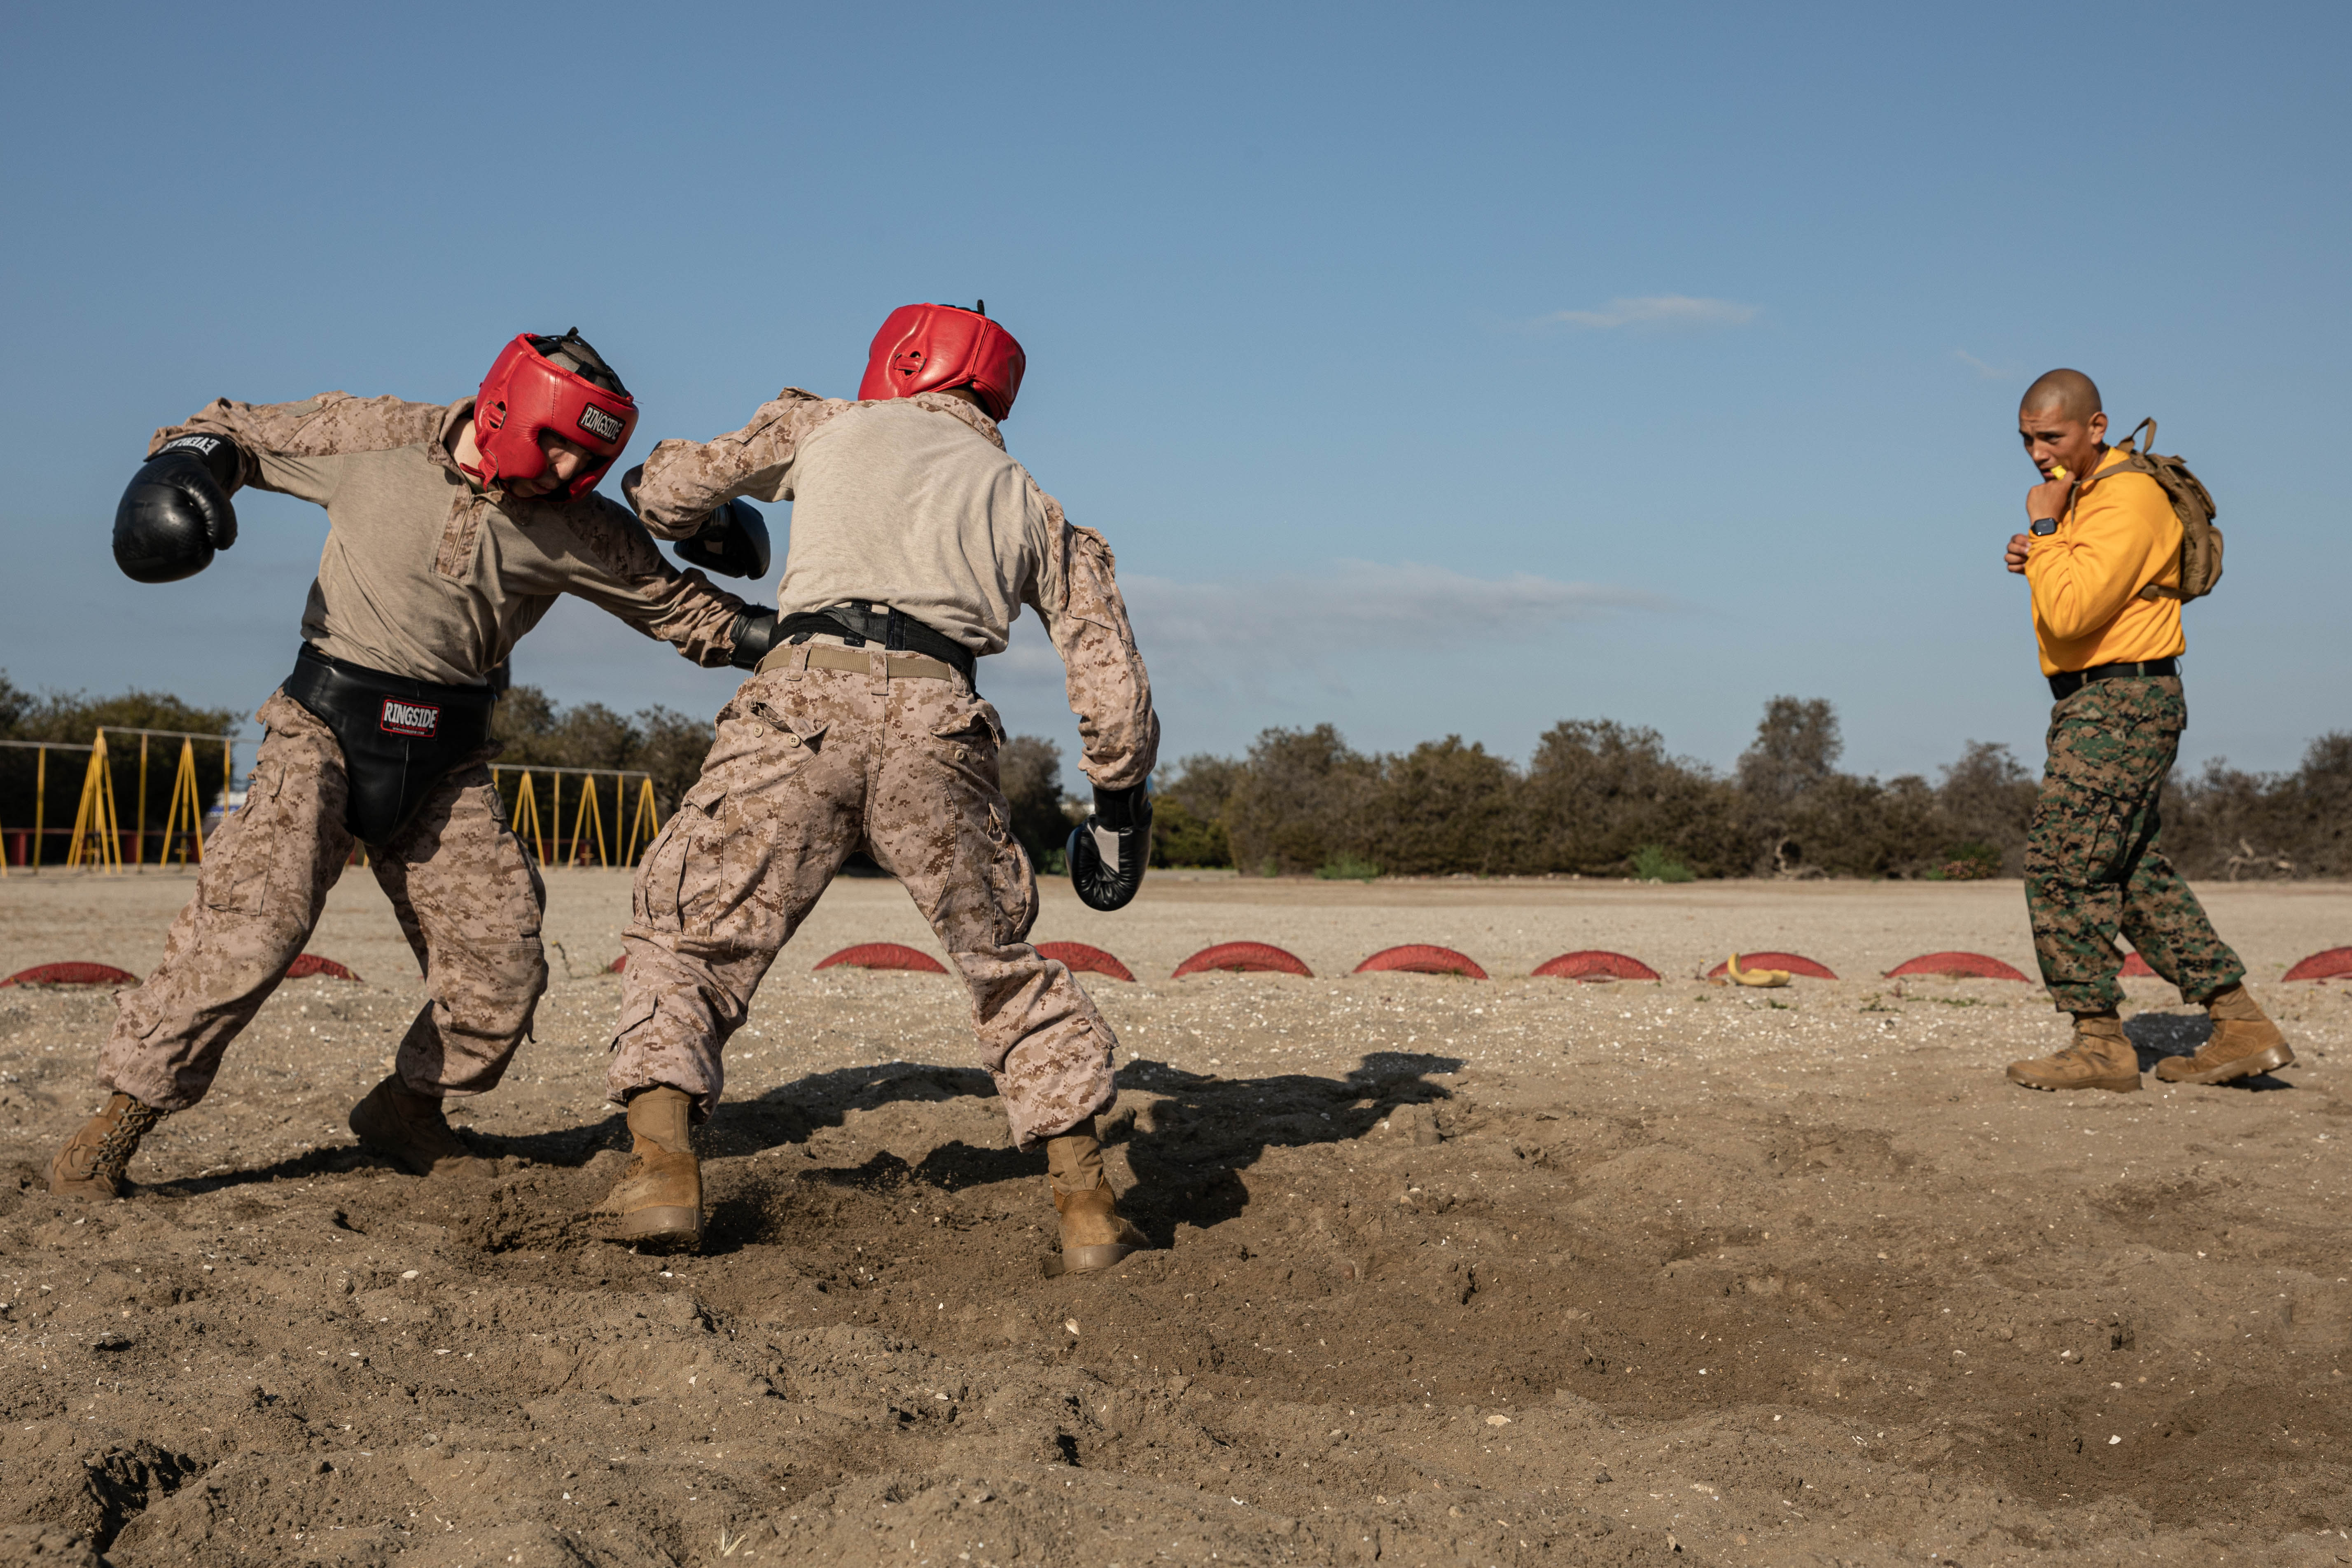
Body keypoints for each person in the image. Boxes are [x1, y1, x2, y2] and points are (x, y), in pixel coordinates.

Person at [49, 332, 776, 1198]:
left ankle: (406, 1108)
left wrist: (809, 631)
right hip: (322, 726)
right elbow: (227, 428)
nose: (561, 470)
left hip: (448, 759)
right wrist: (187, 467)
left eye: (587, 459)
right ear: (507, 403)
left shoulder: (578, 524)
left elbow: (688, 612)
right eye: (556, 442)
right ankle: (117, 1124)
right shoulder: (375, 437)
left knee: (503, 966)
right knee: (251, 927)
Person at [597, 302, 1159, 1270]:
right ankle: (1088, 1209)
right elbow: (1109, 677)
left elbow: (668, 488)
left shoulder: (826, 422)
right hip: (943, 722)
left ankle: (662, 1172)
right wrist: (1117, 808)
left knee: (685, 935)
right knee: (1001, 965)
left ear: (901, 359)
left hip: (804, 699)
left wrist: (712, 524)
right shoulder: (1029, 498)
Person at [2001, 368, 2292, 1092]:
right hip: (2102, 701)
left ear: (2096, 428)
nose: (2040, 454)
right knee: (2131, 873)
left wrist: (2042, 530)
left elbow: (2071, 617)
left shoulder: (2125, 495)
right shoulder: (2089, 496)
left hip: (2119, 705)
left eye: (2053, 437)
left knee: (2062, 868)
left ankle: (2100, 1044)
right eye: (2028, 440)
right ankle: (2241, 1026)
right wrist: (2045, 550)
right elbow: (2081, 592)